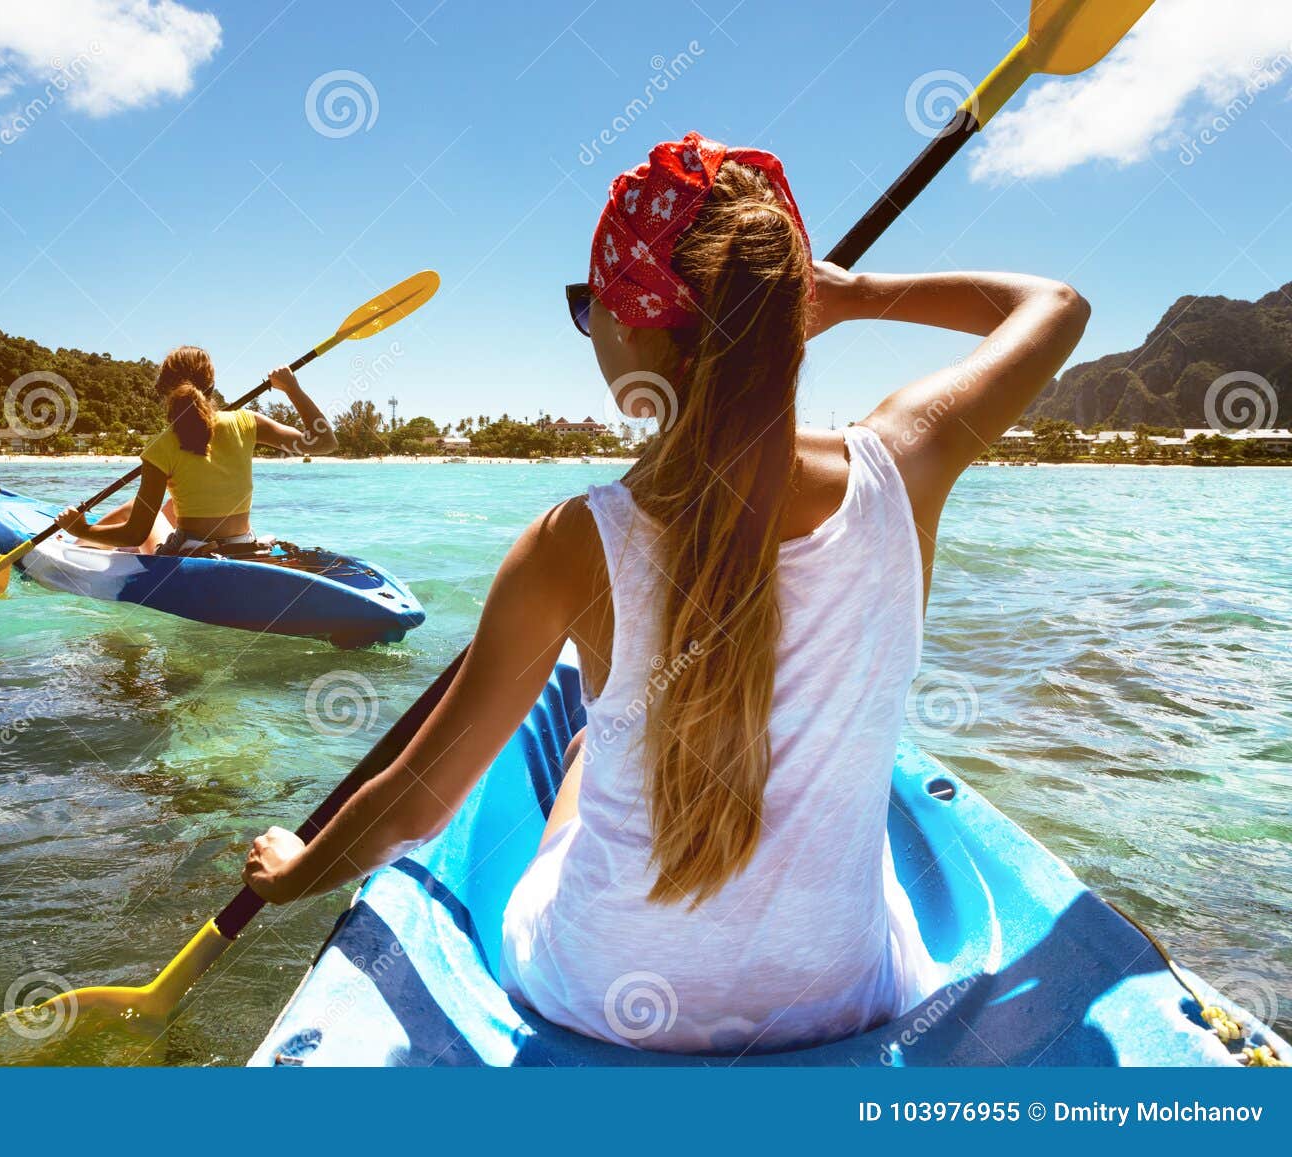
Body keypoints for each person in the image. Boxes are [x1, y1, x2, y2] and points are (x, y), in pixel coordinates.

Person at [241, 132, 1090, 1053]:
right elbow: (1055, 304)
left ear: (636, 329)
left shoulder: (573, 543)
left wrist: (293, 872)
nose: (592, 329)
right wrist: (858, 297)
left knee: (585, 741)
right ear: (792, 314)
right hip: (841, 999)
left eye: (589, 306)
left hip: (598, 993)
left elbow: (416, 802)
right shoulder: (908, 463)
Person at [59, 346, 336, 554]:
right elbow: (325, 442)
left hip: (190, 552)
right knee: (167, 506)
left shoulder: (160, 447)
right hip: (243, 546)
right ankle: (81, 543)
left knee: (138, 510)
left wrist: (81, 526)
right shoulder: (247, 422)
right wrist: (291, 389)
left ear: (163, 390)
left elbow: (135, 533)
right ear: (212, 387)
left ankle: (76, 545)